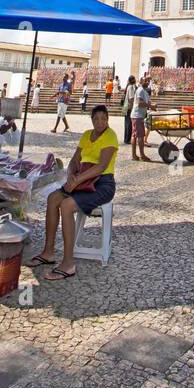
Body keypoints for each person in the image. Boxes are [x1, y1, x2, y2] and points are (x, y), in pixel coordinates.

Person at [31, 104, 118, 280]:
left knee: (66, 205)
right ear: (92, 120)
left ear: (107, 119)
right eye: (96, 118)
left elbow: (101, 167)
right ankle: (48, 252)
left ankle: (68, 263)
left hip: (102, 184)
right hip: (81, 180)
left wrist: (76, 180)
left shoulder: (111, 136)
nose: (100, 122)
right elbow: (74, 160)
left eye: (103, 118)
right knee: (53, 198)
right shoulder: (86, 135)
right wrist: (71, 175)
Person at [130, 75, 152, 161]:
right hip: (137, 115)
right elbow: (140, 102)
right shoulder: (140, 90)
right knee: (139, 136)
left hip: (140, 115)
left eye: (148, 81)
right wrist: (150, 105)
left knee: (136, 135)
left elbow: (147, 102)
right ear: (140, 82)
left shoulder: (145, 91)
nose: (147, 82)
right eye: (145, 81)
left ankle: (135, 155)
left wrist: (151, 105)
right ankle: (141, 155)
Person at [121, 75, 137, 145]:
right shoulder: (130, 87)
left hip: (126, 107)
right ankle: (127, 139)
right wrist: (133, 107)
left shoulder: (129, 86)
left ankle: (126, 139)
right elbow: (131, 99)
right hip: (129, 107)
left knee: (127, 123)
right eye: (135, 79)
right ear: (132, 80)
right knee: (129, 124)